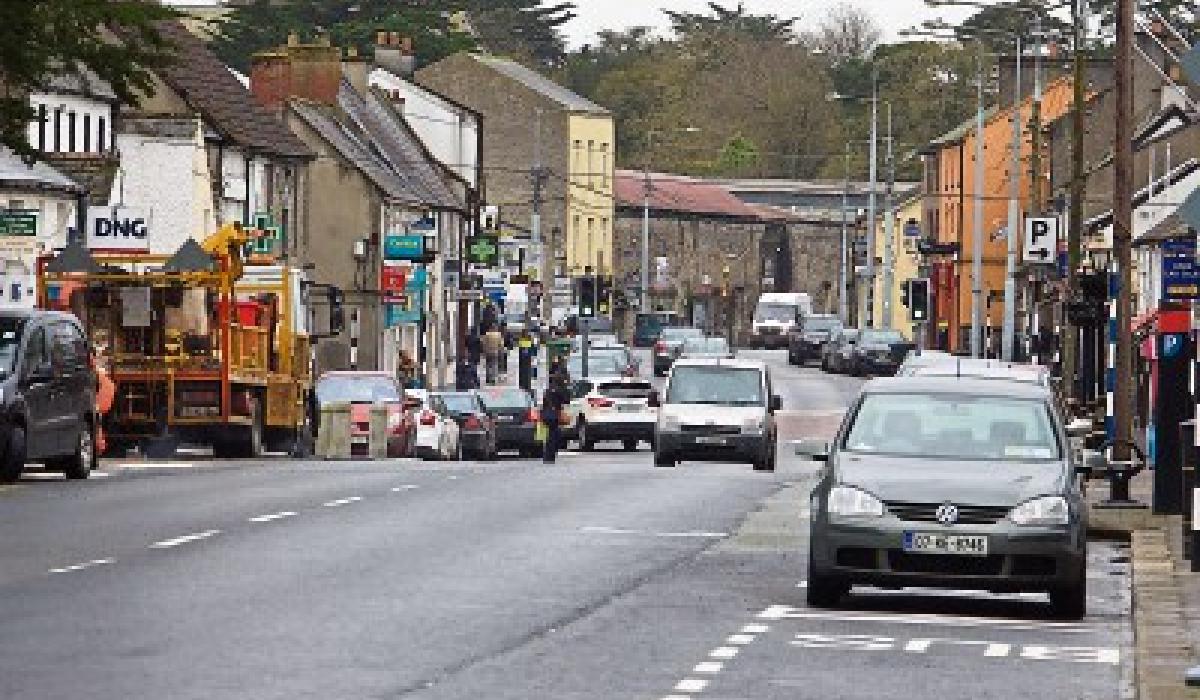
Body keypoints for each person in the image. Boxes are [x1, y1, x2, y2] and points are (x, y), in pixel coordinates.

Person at [541, 358, 570, 463]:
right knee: (554, 435)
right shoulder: (560, 389)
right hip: (554, 415)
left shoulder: (549, 389)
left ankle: (548, 455)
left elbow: (544, 402)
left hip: (546, 415)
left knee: (550, 435)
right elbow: (566, 400)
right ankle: (550, 455)